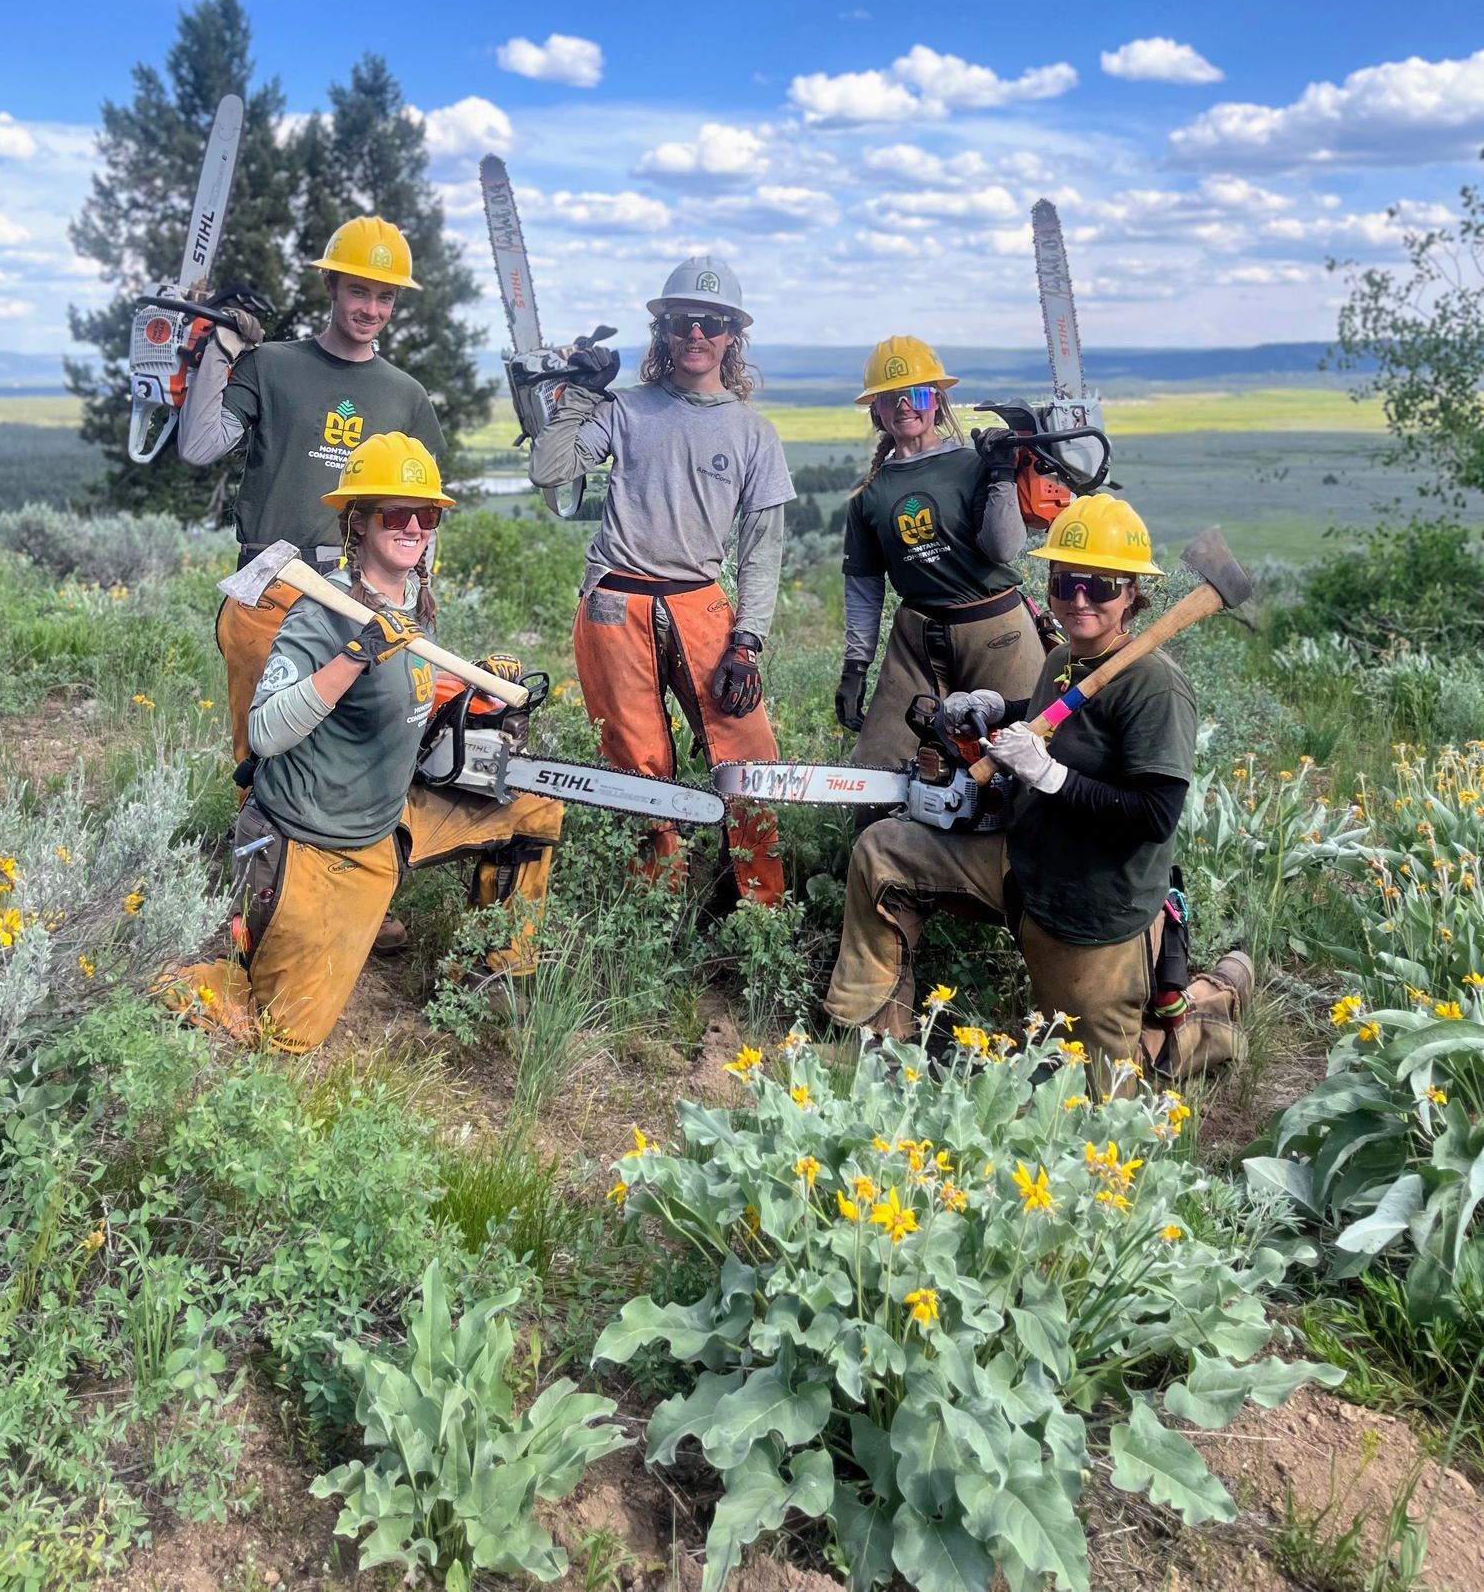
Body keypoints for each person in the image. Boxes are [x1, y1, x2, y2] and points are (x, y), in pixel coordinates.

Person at [825, 493, 1252, 1087]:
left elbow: (1154, 816)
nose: (1080, 598)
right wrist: (1003, 708)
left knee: (1097, 1098)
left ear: (1131, 593)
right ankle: (872, 1040)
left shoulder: (1155, 689)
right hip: (1019, 866)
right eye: (1066, 580)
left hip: (1089, 910)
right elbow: (1053, 717)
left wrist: (1051, 778)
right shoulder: (1061, 658)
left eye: (1100, 586)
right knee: (884, 853)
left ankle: (1211, 1010)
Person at [162, 434, 563, 1051]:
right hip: (312, 842)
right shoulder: (319, 614)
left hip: (386, 820)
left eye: (424, 515)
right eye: (393, 514)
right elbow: (265, 733)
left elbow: (409, 697)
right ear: (358, 523)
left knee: (534, 809)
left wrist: (475, 693)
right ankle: (191, 978)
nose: (412, 527)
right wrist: (353, 657)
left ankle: (491, 969)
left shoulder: (414, 605)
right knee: (286, 1035)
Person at [528, 254, 794, 905]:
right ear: (664, 334)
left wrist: (748, 642)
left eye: (710, 321)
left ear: (732, 334)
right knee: (640, 767)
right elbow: (550, 472)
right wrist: (580, 393)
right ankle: (656, 910)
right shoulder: (625, 409)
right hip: (616, 598)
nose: (695, 333)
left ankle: (758, 908)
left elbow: (763, 549)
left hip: (699, 601)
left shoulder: (754, 432)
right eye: (680, 321)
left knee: (748, 752)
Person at [178, 215, 443, 766]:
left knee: (353, 752)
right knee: (261, 752)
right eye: (358, 291)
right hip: (272, 588)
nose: (371, 309)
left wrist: (416, 595)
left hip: (362, 598)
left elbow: (423, 512)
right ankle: (259, 853)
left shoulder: (407, 396)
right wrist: (219, 349)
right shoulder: (271, 365)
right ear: (330, 287)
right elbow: (200, 445)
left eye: (385, 297)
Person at [836, 337, 1048, 771]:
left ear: (937, 399)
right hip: (916, 638)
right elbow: (864, 590)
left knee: (1022, 758)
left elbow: (1005, 548)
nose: (904, 407)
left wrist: (1002, 473)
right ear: (875, 410)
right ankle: (887, 839)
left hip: (996, 631)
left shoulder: (974, 465)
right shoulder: (868, 496)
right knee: (878, 762)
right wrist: (855, 666)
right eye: (889, 398)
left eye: (915, 394)